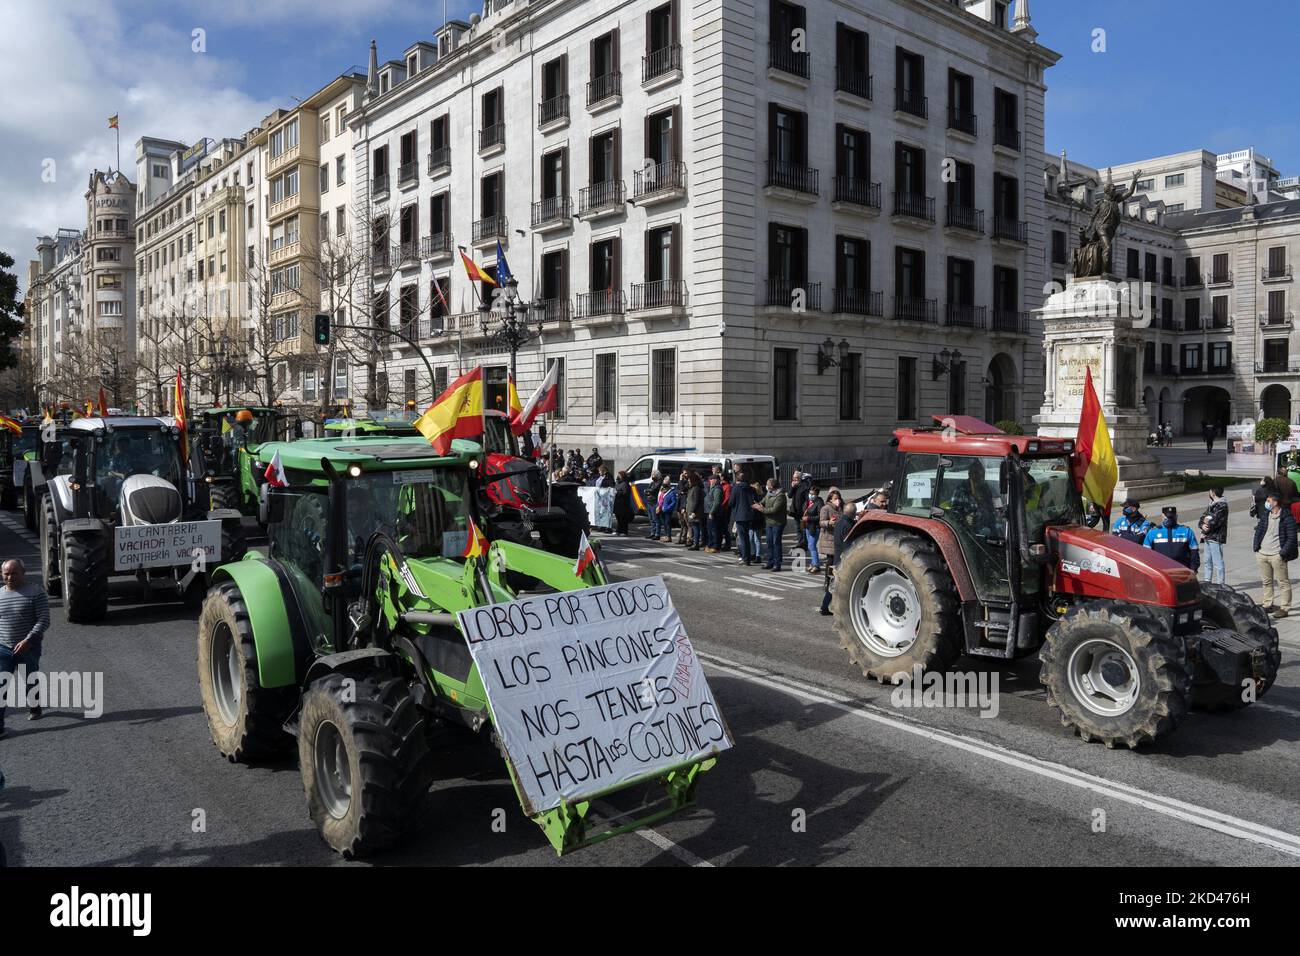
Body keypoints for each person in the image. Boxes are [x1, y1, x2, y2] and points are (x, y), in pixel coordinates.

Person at [0, 559, 50, 736]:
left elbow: (44, 620)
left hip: (29, 648)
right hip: (3, 649)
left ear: (23, 573)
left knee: (30, 680)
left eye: (14, 573)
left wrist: (28, 640)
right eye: (6, 573)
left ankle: (35, 706)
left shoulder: (35, 593)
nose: (10, 577)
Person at [1253, 489, 1297, 618]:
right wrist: (1256, 547)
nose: (1266, 503)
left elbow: (1292, 537)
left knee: (1283, 582)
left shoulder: (1287, 517)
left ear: (1276, 502)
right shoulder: (1266, 514)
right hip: (1262, 553)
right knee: (1266, 581)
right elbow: (1259, 531)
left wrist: (1282, 553)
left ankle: (1284, 608)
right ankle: (1267, 604)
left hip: (1277, 555)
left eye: (1268, 500)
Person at [821, 499, 858, 615]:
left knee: (833, 584)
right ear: (854, 513)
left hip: (836, 557)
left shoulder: (839, 522)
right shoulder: (849, 525)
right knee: (838, 585)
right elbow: (847, 545)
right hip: (842, 559)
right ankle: (828, 607)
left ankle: (824, 606)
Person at [1142, 506, 1200, 572]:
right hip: (1161, 571)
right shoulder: (1153, 532)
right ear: (1162, 516)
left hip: (1182, 570)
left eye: (1172, 517)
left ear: (1176, 516)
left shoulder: (1186, 531)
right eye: (1168, 517)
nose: (1170, 519)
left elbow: (1194, 552)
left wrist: (1193, 569)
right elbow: (1146, 554)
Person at [950, 459, 998, 536]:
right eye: (976, 473)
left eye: (982, 473)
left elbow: (993, 508)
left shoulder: (986, 488)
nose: (980, 476)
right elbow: (953, 513)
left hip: (989, 530)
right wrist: (965, 518)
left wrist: (998, 514)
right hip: (970, 535)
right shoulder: (961, 490)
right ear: (970, 474)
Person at [1198, 486, 1228, 585]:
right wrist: (1203, 524)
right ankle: (1207, 581)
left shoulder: (1222, 506)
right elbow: (1202, 518)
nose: (1209, 493)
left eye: (1210, 491)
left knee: (1218, 562)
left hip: (1216, 537)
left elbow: (1216, 522)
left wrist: (1207, 523)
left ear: (1213, 492)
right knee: (1207, 561)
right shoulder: (1211, 504)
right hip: (1208, 537)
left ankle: (1221, 584)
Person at [757, 478, 788, 571]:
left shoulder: (780, 496)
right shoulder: (769, 493)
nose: (766, 486)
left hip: (777, 523)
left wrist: (762, 509)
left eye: (768, 484)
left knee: (776, 543)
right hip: (769, 522)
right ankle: (770, 562)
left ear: (772, 486)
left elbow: (774, 510)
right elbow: (763, 501)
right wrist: (758, 504)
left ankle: (777, 564)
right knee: (769, 542)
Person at [731, 470, 757, 565]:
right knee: (747, 537)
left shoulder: (736, 488)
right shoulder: (752, 489)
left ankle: (745, 558)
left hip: (740, 515)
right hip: (750, 515)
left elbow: (731, 502)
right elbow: (756, 501)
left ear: (738, 479)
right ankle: (747, 557)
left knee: (743, 538)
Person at [803, 484, 825, 573]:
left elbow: (820, 516)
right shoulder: (808, 501)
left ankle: (816, 565)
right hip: (808, 526)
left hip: (814, 527)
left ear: (817, 494)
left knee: (812, 546)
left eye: (813, 494)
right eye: (810, 493)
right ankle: (813, 563)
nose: (810, 495)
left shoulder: (819, 502)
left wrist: (808, 518)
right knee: (810, 545)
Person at [684, 471, 705, 550]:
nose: (688, 481)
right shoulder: (692, 487)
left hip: (695, 512)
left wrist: (693, 511)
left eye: (690, 479)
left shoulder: (696, 488)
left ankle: (696, 544)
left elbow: (696, 501)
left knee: (696, 528)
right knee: (694, 527)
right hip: (691, 511)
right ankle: (695, 543)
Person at [612, 470, 634, 536]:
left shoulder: (625, 484)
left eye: (619, 475)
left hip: (623, 504)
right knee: (618, 518)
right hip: (617, 503)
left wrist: (617, 492)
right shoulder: (618, 483)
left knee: (623, 518)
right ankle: (618, 530)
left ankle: (624, 531)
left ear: (622, 476)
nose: (617, 476)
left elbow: (625, 493)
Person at [657, 477, 678, 544]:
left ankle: (669, 537)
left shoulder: (671, 492)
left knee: (667, 523)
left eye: (666, 483)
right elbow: (660, 499)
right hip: (661, 509)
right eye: (664, 482)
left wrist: (667, 508)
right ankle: (666, 536)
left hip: (667, 511)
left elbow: (674, 502)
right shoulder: (662, 490)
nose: (664, 484)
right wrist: (658, 506)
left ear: (669, 483)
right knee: (664, 524)